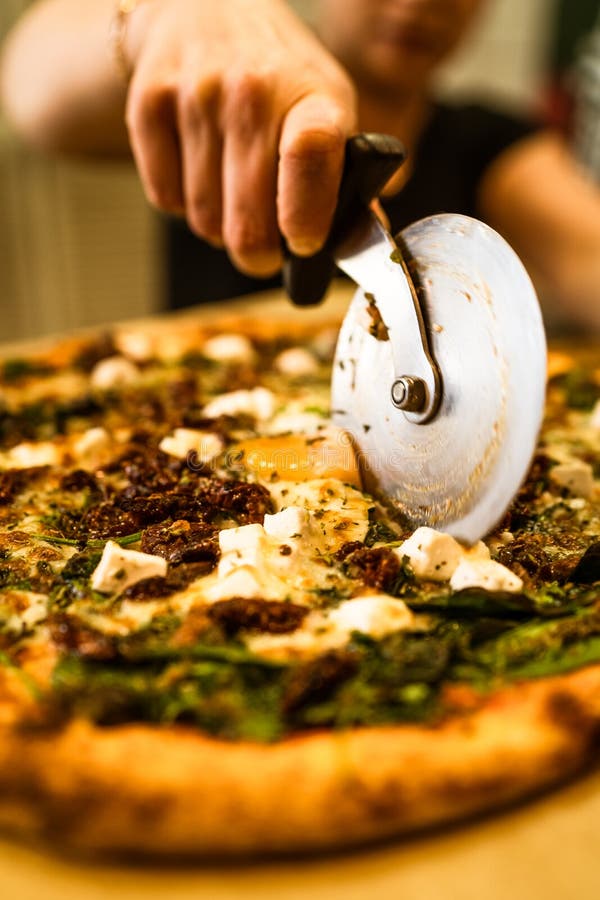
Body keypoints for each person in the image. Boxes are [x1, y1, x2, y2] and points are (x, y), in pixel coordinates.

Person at [1, 0, 600, 330]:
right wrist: (160, 19)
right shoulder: (222, 84)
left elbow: (587, 249)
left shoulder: (490, 137)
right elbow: (31, 92)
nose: (419, 6)